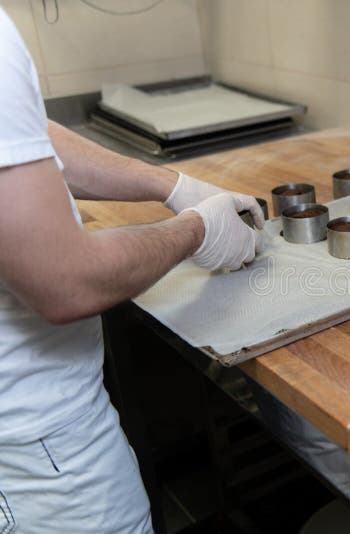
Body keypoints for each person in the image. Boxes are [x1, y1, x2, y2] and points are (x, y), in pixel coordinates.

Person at [0, 7, 265, 533]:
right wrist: (196, 231)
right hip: (39, 449)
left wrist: (166, 185)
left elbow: (27, 133)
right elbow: (65, 282)